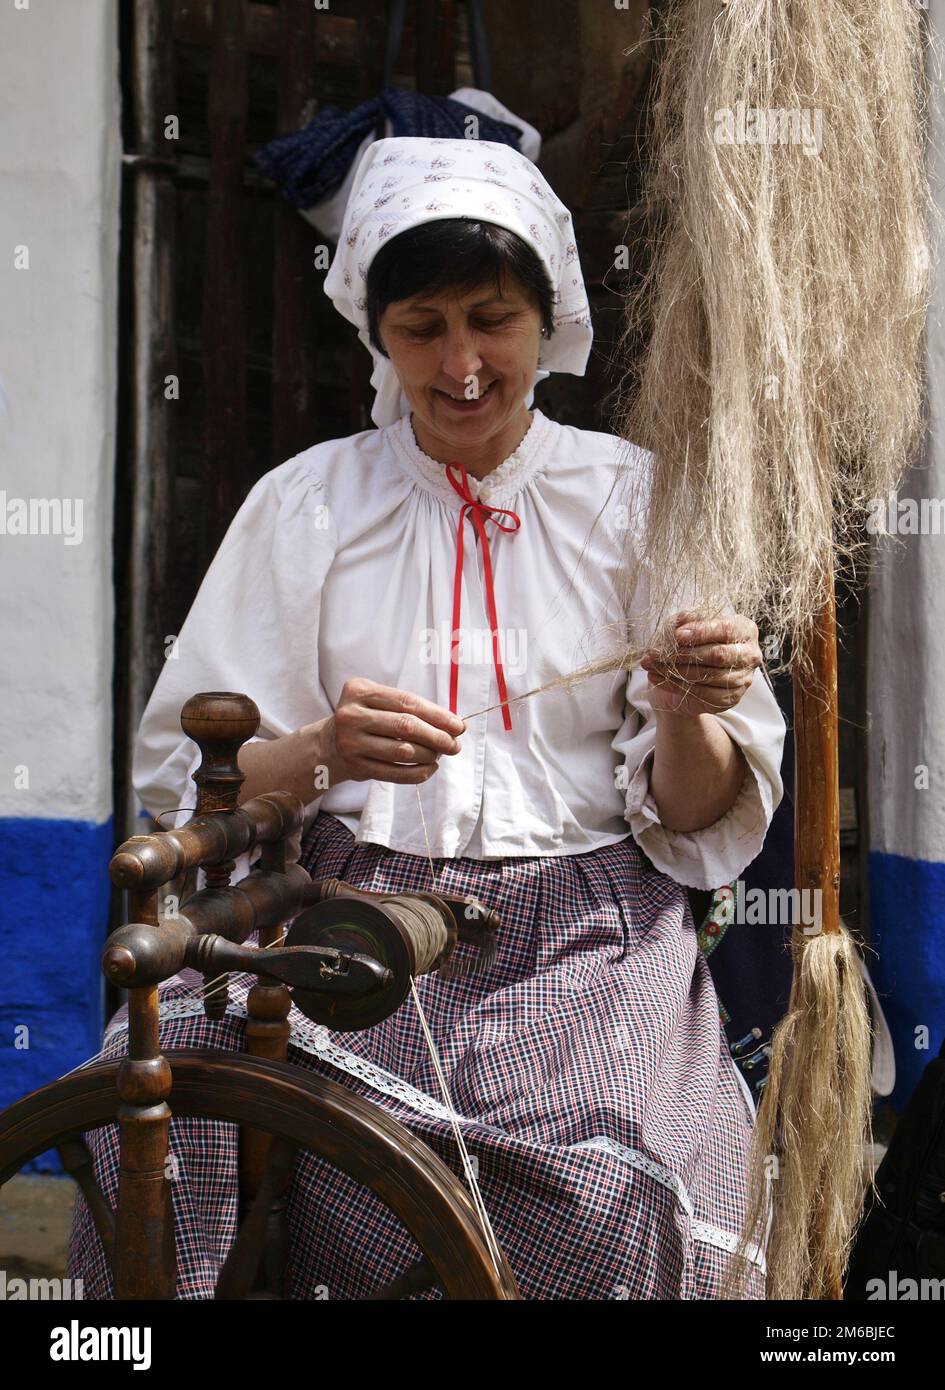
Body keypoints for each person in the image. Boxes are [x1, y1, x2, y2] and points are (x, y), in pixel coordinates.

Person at [69, 136, 786, 1300]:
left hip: (585, 937)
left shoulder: (636, 498)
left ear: (544, 325)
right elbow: (188, 761)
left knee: (619, 1181)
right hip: (339, 919)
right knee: (173, 1109)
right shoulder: (307, 504)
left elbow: (697, 818)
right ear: (377, 333)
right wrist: (320, 753)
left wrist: (684, 705)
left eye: (491, 320)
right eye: (422, 328)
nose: (460, 363)